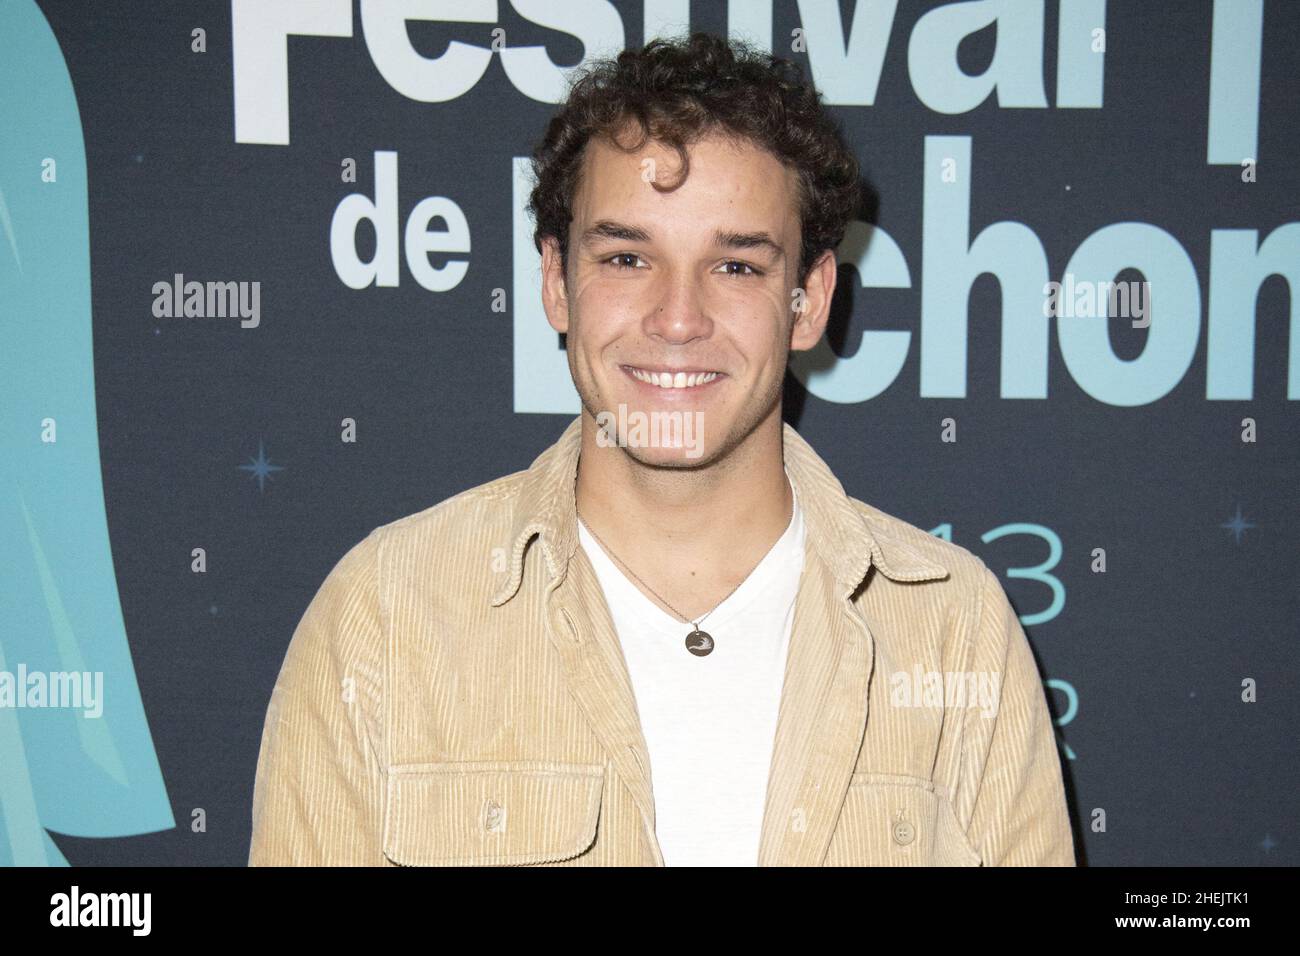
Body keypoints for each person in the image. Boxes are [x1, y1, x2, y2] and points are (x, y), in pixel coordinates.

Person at [248, 32, 1075, 867]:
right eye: (627, 256)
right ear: (555, 281)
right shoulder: (387, 619)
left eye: (737, 267)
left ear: (810, 299)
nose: (677, 319)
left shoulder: (951, 627)